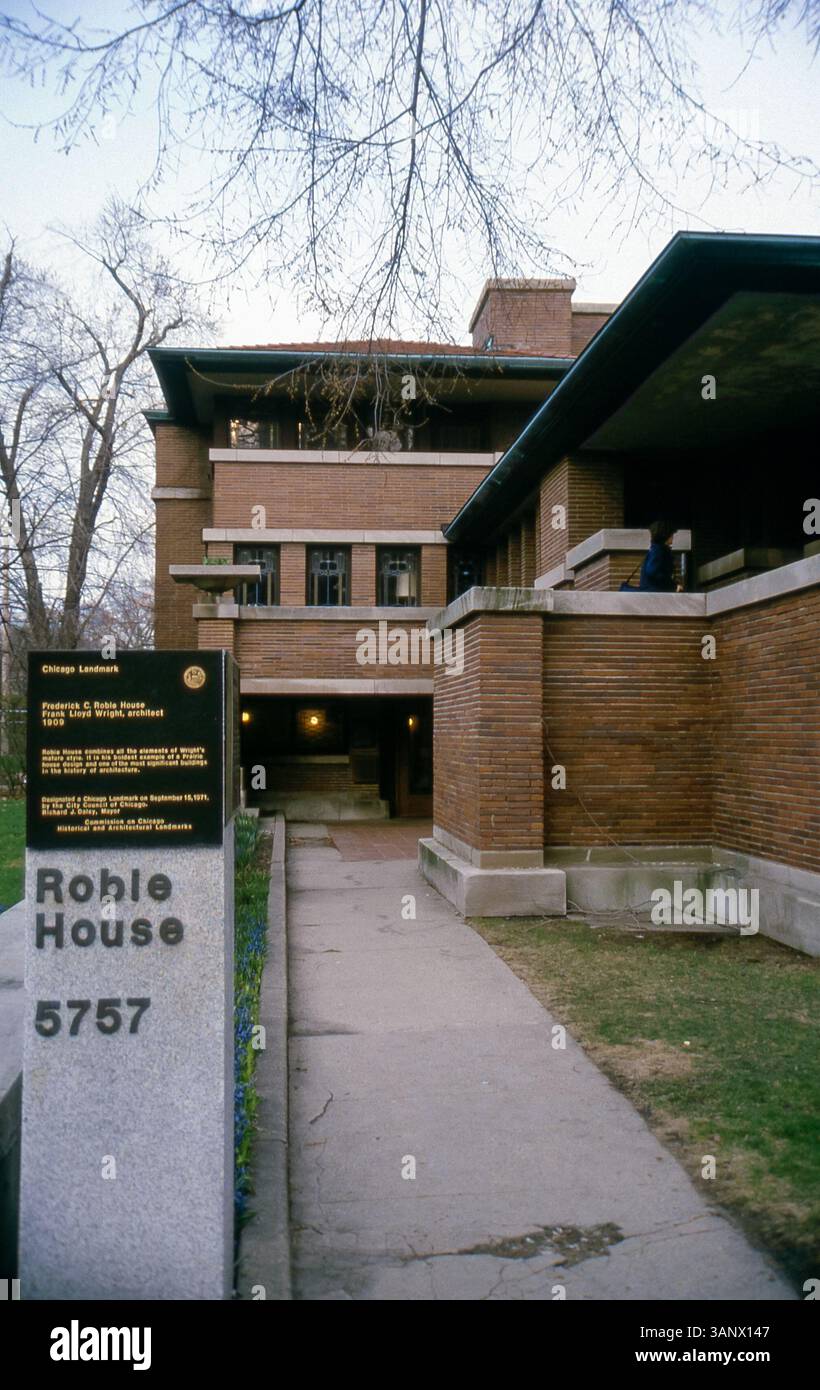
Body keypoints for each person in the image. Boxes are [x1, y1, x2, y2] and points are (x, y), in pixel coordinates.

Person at [639, 520, 683, 592]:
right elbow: (652, 572)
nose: (673, 537)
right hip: (653, 594)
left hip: (652, 593)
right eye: (671, 534)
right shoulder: (658, 550)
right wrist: (673, 586)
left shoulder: (657, 549)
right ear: (666, 535)